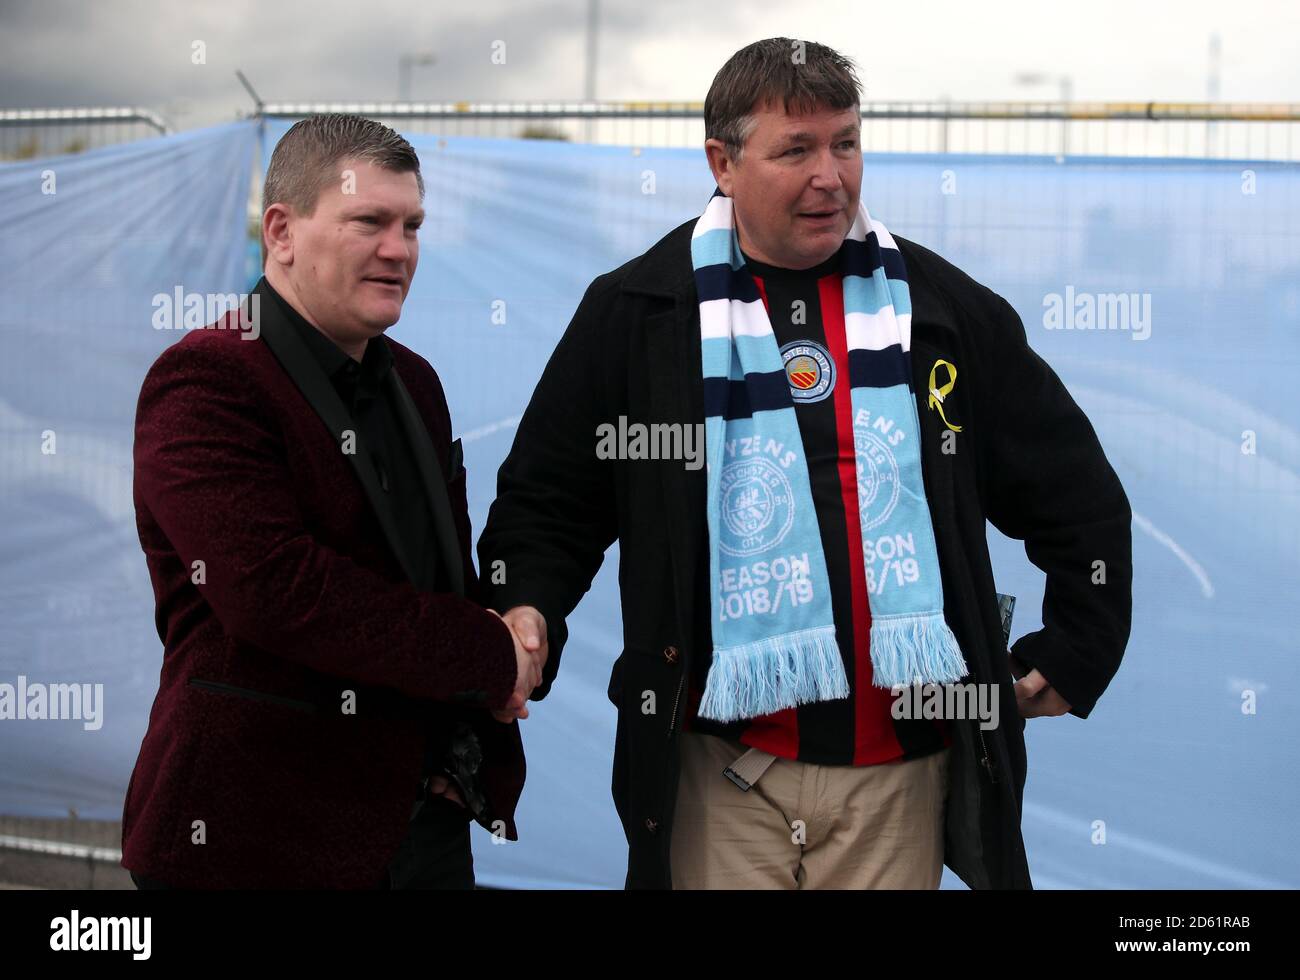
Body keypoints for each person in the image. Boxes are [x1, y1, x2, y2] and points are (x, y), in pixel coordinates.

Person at [478, 39, 1132, 889]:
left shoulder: (942, 313)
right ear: (722, 162)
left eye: (847, 143)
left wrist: (1079, 645)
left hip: (901, 781)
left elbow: (1076, 495)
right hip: (719, 773)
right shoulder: (637, 314)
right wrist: (524, 610)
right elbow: (548, 504)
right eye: (796, 150)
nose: (831, 175)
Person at [122, 114, 542, 889]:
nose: (399, 249)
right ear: (281, 231)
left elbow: (433, 576)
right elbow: (276, 592)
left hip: (422, 831)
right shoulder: (205, 379)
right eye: (369, 222)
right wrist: (487, 657)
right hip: (254, 841)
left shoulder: (415, 382)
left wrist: (520, 634)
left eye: (412, 224)